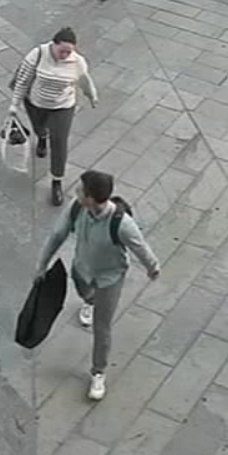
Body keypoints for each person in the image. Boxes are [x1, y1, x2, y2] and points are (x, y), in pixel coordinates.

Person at [35, 170, 160, 401]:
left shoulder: (121, 224)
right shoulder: (77, 208)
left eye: (81, 190)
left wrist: (152, 268)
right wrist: (42, 264)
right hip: (82, 270)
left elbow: (139, 247)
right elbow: (57, 235)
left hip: (109, 279)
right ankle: (89, 300)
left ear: (91, 197)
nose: (76, 192)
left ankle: (98, 372)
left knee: (102, 328)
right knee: (83, 289)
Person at [9, 27, 99, 207]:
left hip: (62, 107)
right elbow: (23, 80)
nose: (65, 54)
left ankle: (57, 181)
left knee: (60, 143)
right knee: (39, 128)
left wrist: (92, 96)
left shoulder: (77, 62)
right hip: (36, 103)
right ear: (53, 44)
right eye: (62, 50)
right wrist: (14, 104)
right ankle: (42, 137)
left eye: (69, 51)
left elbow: (84, 80)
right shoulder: (37, 54)